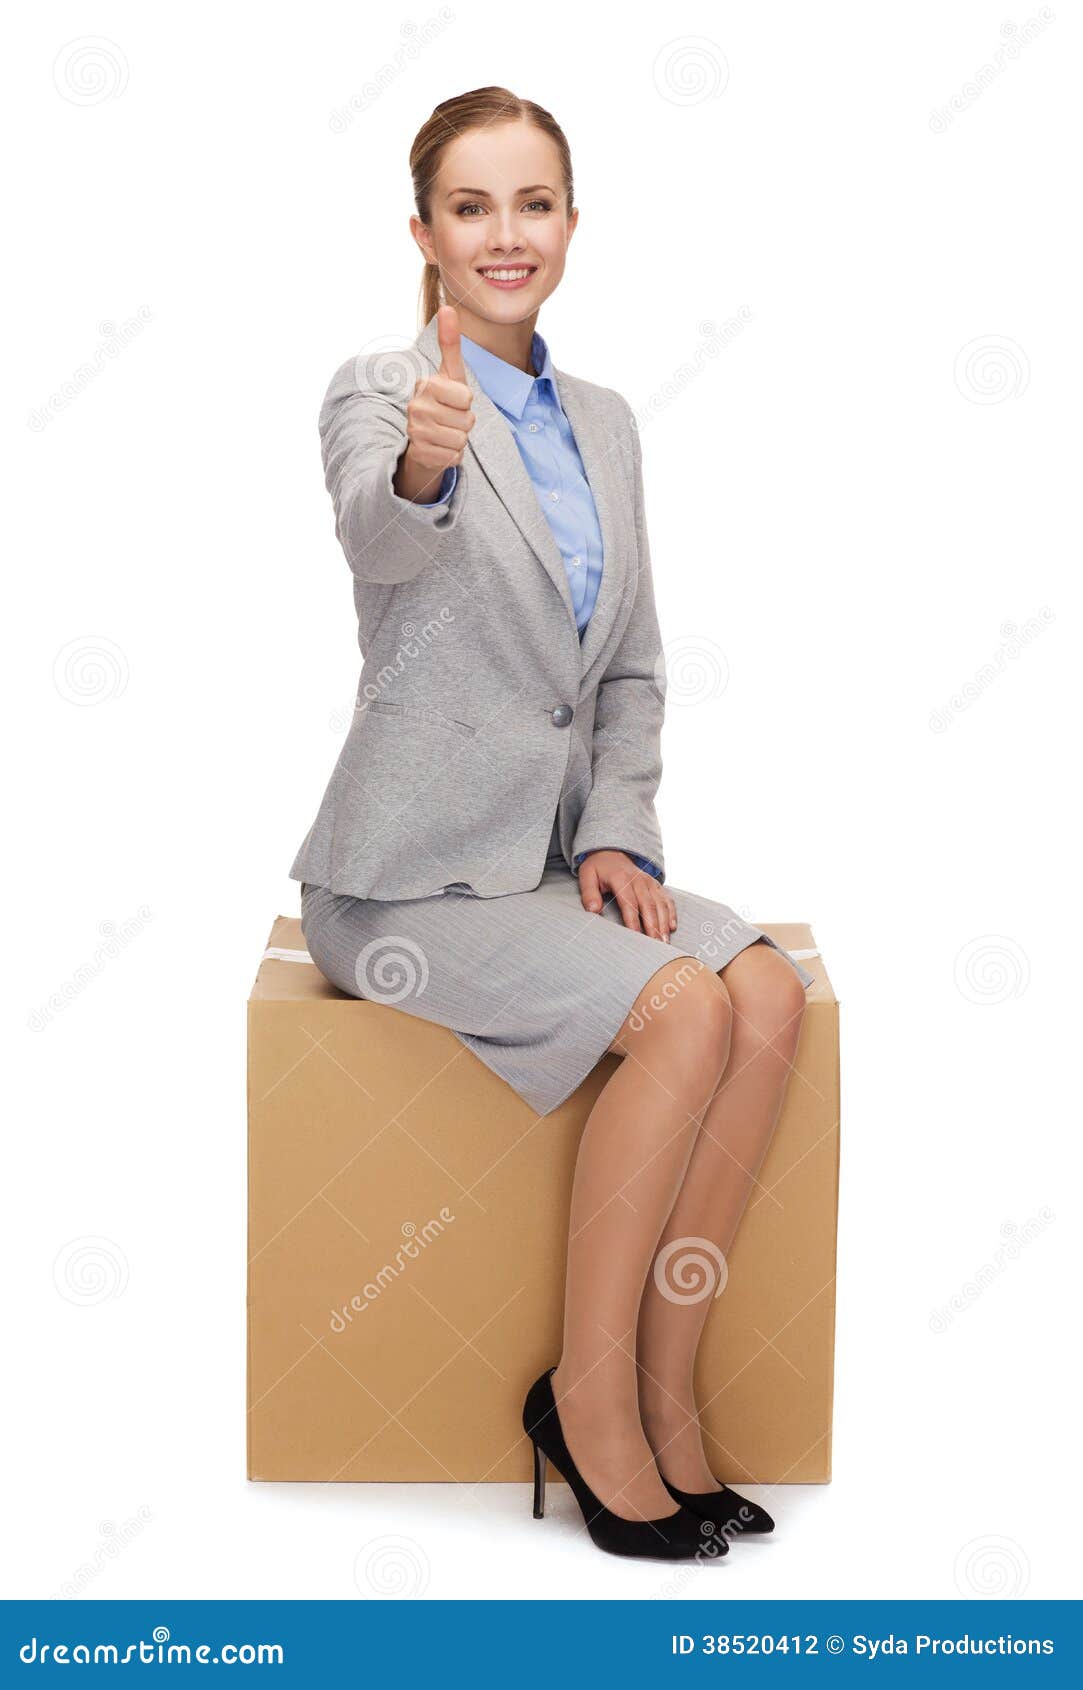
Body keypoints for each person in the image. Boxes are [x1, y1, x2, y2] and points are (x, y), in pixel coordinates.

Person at [291, 85, 814, 1561]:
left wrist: (617, 836)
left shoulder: (610, 424)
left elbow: (632, 667)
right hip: (406, 887)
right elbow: (377, 531)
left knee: (762, 993)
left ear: (571, 225)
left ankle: (665, 1386)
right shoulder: (385, 392)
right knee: (680, 1009)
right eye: (471, 207)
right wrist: (429, 459)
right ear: (425, 232)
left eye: (532, 204)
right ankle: (586, 1406)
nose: (504, 234)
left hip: (547, 862)